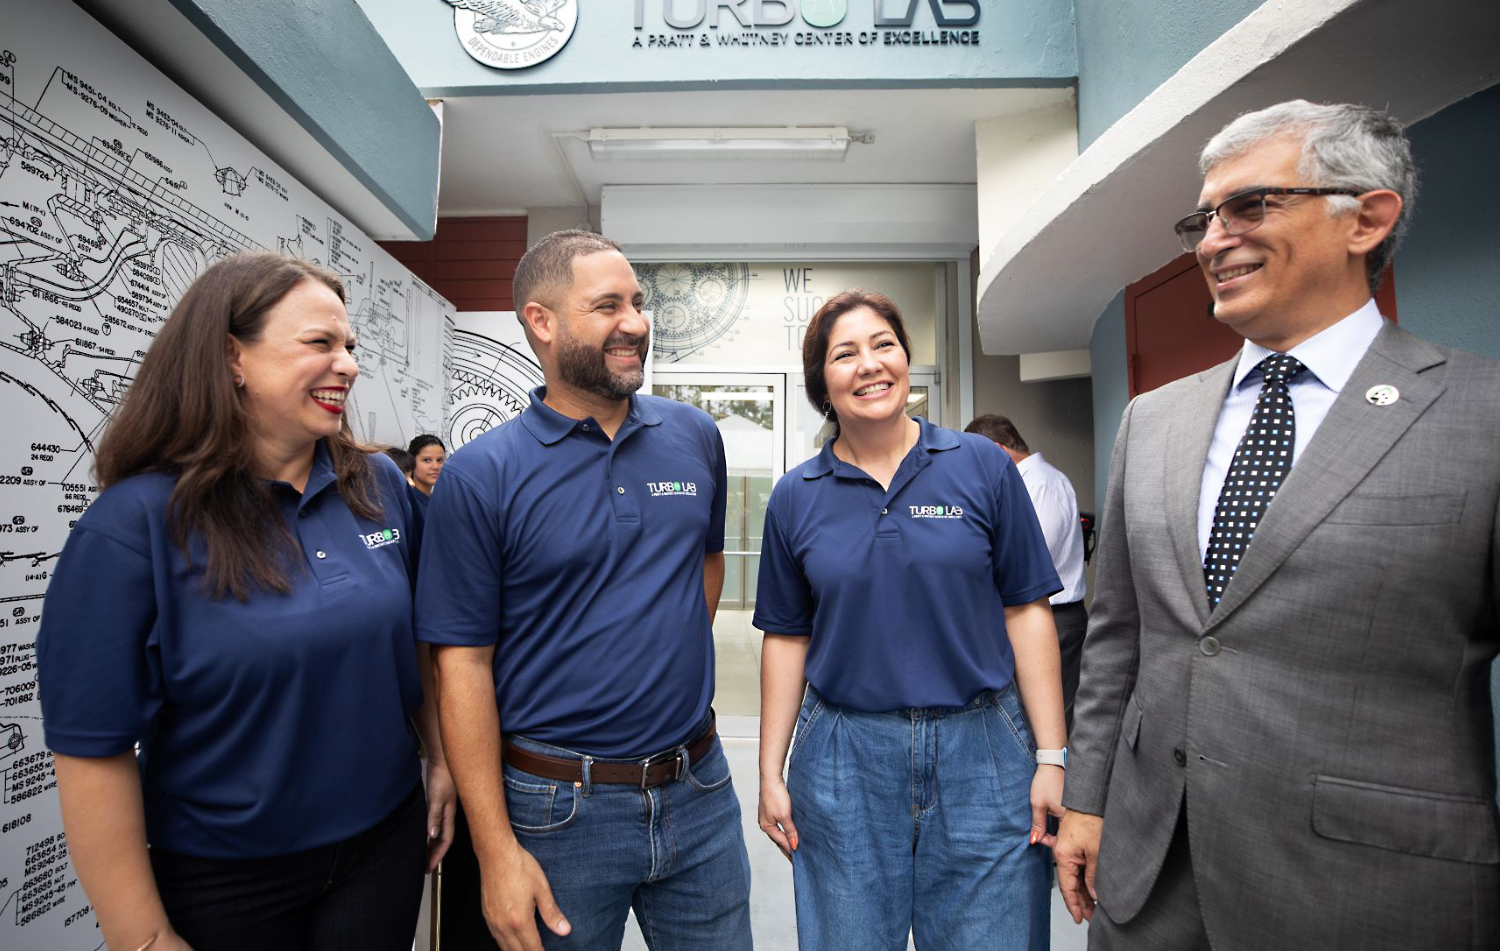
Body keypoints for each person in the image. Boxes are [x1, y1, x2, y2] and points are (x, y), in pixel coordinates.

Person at [1054, 101, 1500, 950]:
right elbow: (1118, 640)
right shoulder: (1152, 421)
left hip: (1371, 894)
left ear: (1366, 218)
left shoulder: (1482, 413)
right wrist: (1086, 798)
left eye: (1250, 206)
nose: (1213, 240)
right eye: (1204, 219)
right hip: (1148, 882)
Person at [37, 252, 455, 951]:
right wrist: (141, 937)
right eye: (320, 344)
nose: (348, 364)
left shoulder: (379, 485)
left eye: (349, 346)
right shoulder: (134, 525)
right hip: (225, 877)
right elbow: (91, 748)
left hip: (384, 842)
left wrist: (439, 758)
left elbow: (415, 642)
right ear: (233, 356)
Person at [415, 229, 752, 951]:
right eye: (608, 306)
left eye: (638, 302)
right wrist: (496, 848)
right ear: (542, 321)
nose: (635, 322)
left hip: (700, 790)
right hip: (556, 810)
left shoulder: (694, 437)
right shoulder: (481, 475)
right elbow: (462, 666)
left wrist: (653, 650)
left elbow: (705, 562)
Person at [756, 290, 1068, 950]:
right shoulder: (794, 498)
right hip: (843, 756)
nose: (869, 365)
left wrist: (1052, 757)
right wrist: (769, 772)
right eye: (845, 354)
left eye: (884, 346)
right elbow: (786, 637)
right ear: (822, 383)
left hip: (983, 748)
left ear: (905, 359)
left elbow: (1028, 610)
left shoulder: (981, 467)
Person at [966, 414, 1089, 729]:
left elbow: (1029, 560)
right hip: (1036, 615)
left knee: (1048, 720)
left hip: (1052, 618)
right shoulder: (1031, 480)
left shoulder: (1040, 484)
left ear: (996, 449)